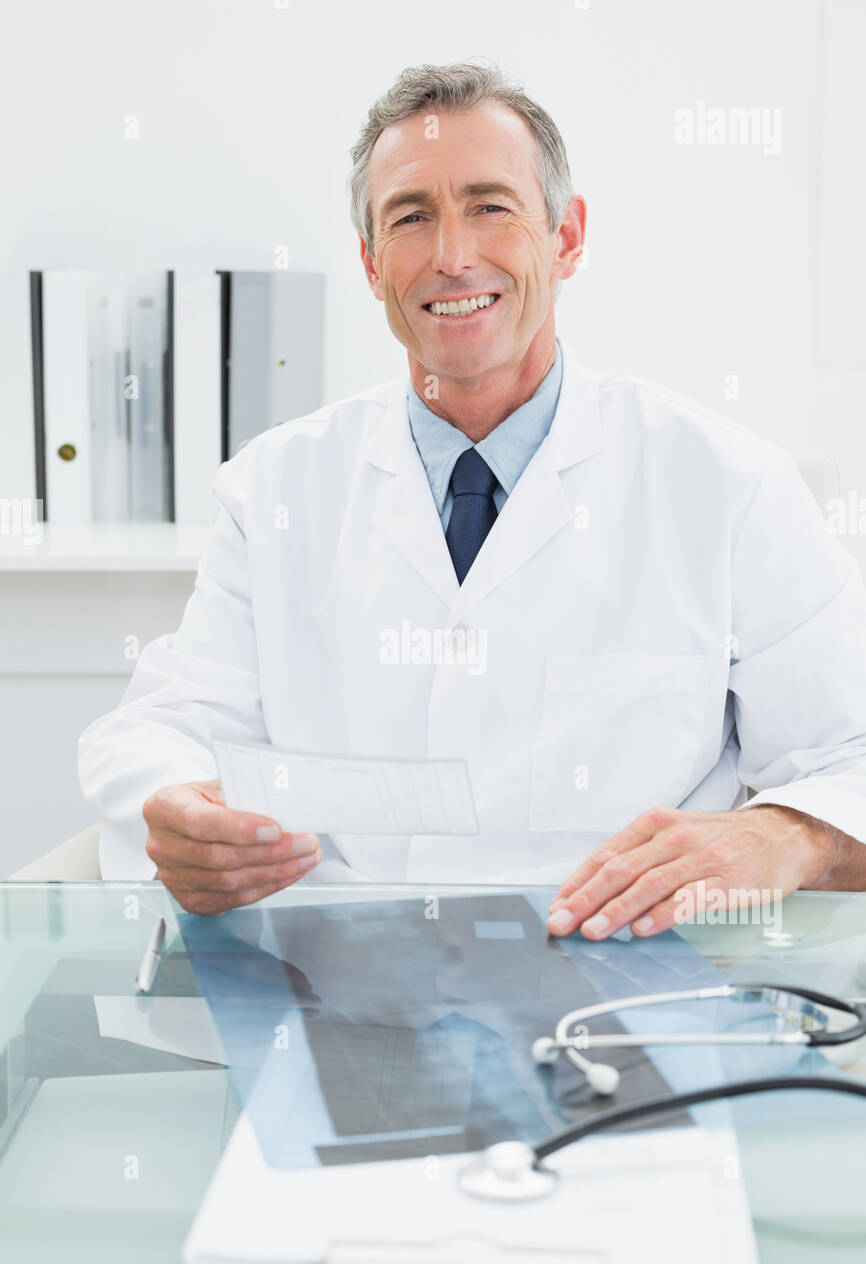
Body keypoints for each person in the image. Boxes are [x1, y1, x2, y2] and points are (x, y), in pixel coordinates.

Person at [78, 61, 866, 938]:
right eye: (412, 217)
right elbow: (166, 727)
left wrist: (789, 835)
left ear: (566, 237)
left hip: (625, 995)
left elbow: (852, 753)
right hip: (338, 981)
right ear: (374, 264)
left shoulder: (728, 485)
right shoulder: (275, 490)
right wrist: (178, 808)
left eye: (490, 205)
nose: (453, 255)